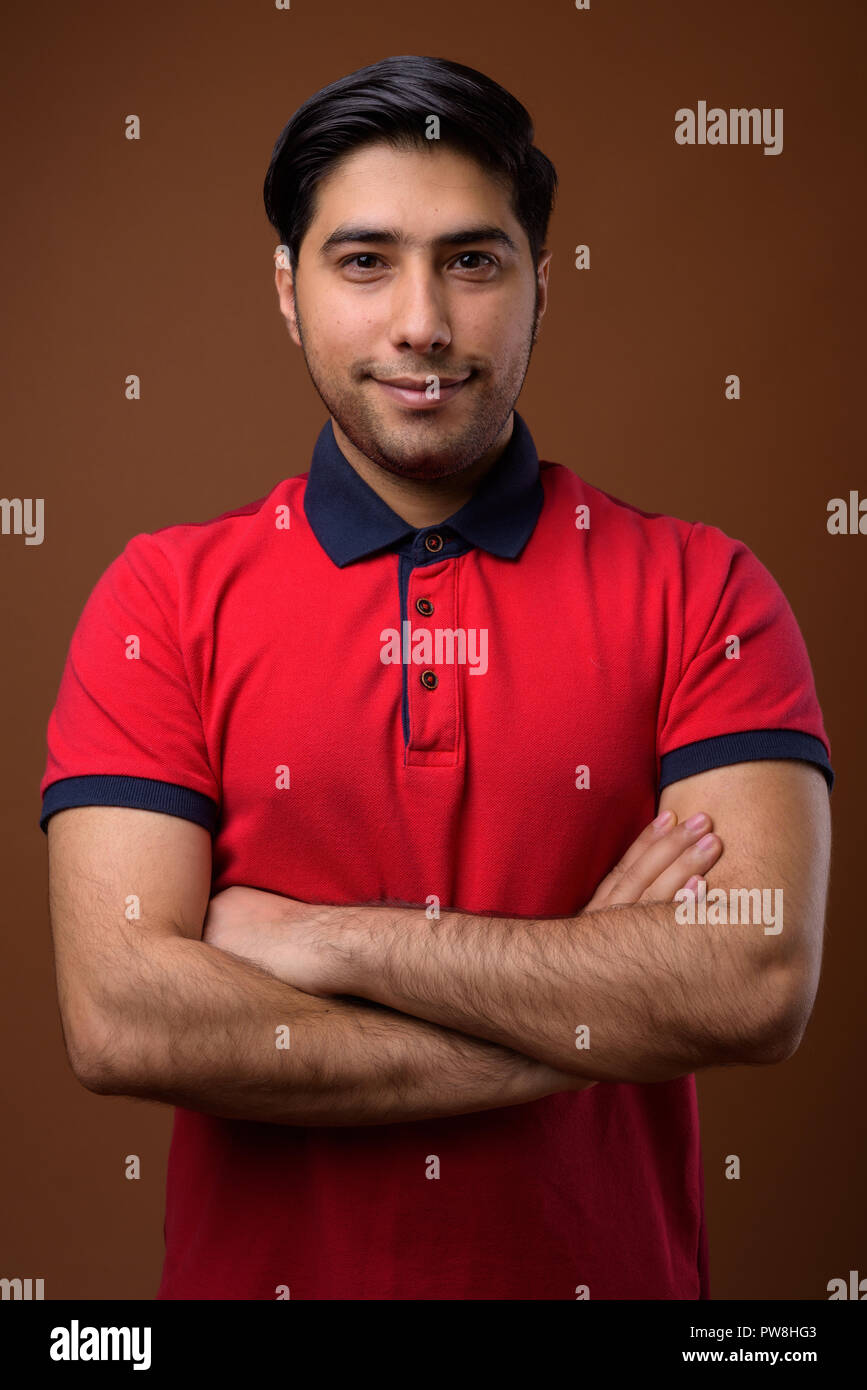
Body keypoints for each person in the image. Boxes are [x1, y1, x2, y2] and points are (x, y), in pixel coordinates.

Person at [40, 55, 833, 1301]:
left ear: (539, 285)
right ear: (289, 294)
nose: (423, 321)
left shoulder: (706, 592)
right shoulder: (160, 601)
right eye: (364, 262)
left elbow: (754, 982)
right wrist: (589, 1004)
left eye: (473, 260)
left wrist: (317, 938)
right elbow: (126, 1016)